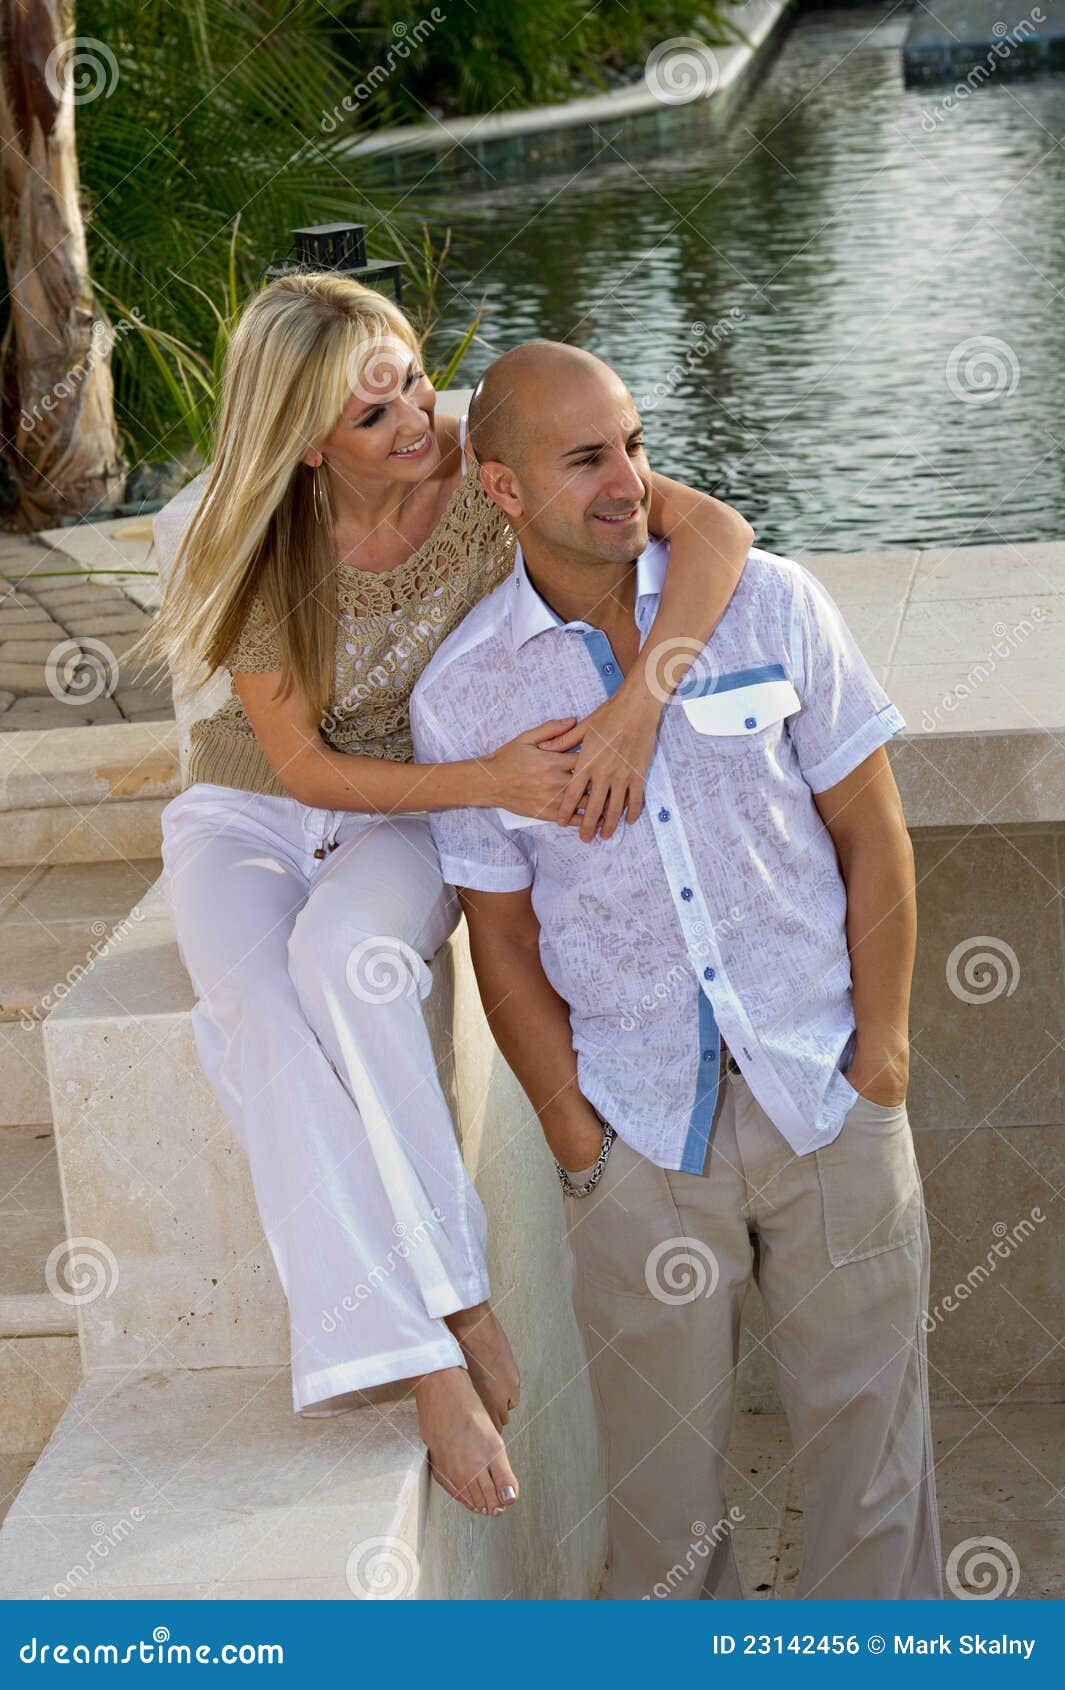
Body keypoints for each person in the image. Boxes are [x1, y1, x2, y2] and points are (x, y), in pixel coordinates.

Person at [130, 273, 755, 1522]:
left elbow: (717, 533)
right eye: (375, 414)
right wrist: (495, 778)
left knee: (346, 965)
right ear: (309, 442)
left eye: (414, 379)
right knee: (258, 1011)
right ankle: (435, 1342)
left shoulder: (486, 468)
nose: (419, 418)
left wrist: (642, 700)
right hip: (253, 810)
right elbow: (302, 768)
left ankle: (451, 1295)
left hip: (405, 814)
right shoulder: (252, 539)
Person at [409, 340, 942, 1595]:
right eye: (587, 457)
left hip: (826, 1093)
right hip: (639, 1135)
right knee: (663, 1519)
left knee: (873, 1480)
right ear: (502, 488)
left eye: (636, 444)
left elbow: (872, 832)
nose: (629, 480)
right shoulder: (464, 694)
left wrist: (882, 1054)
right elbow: (503, 941)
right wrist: (578, 1140)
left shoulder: (770, 603)